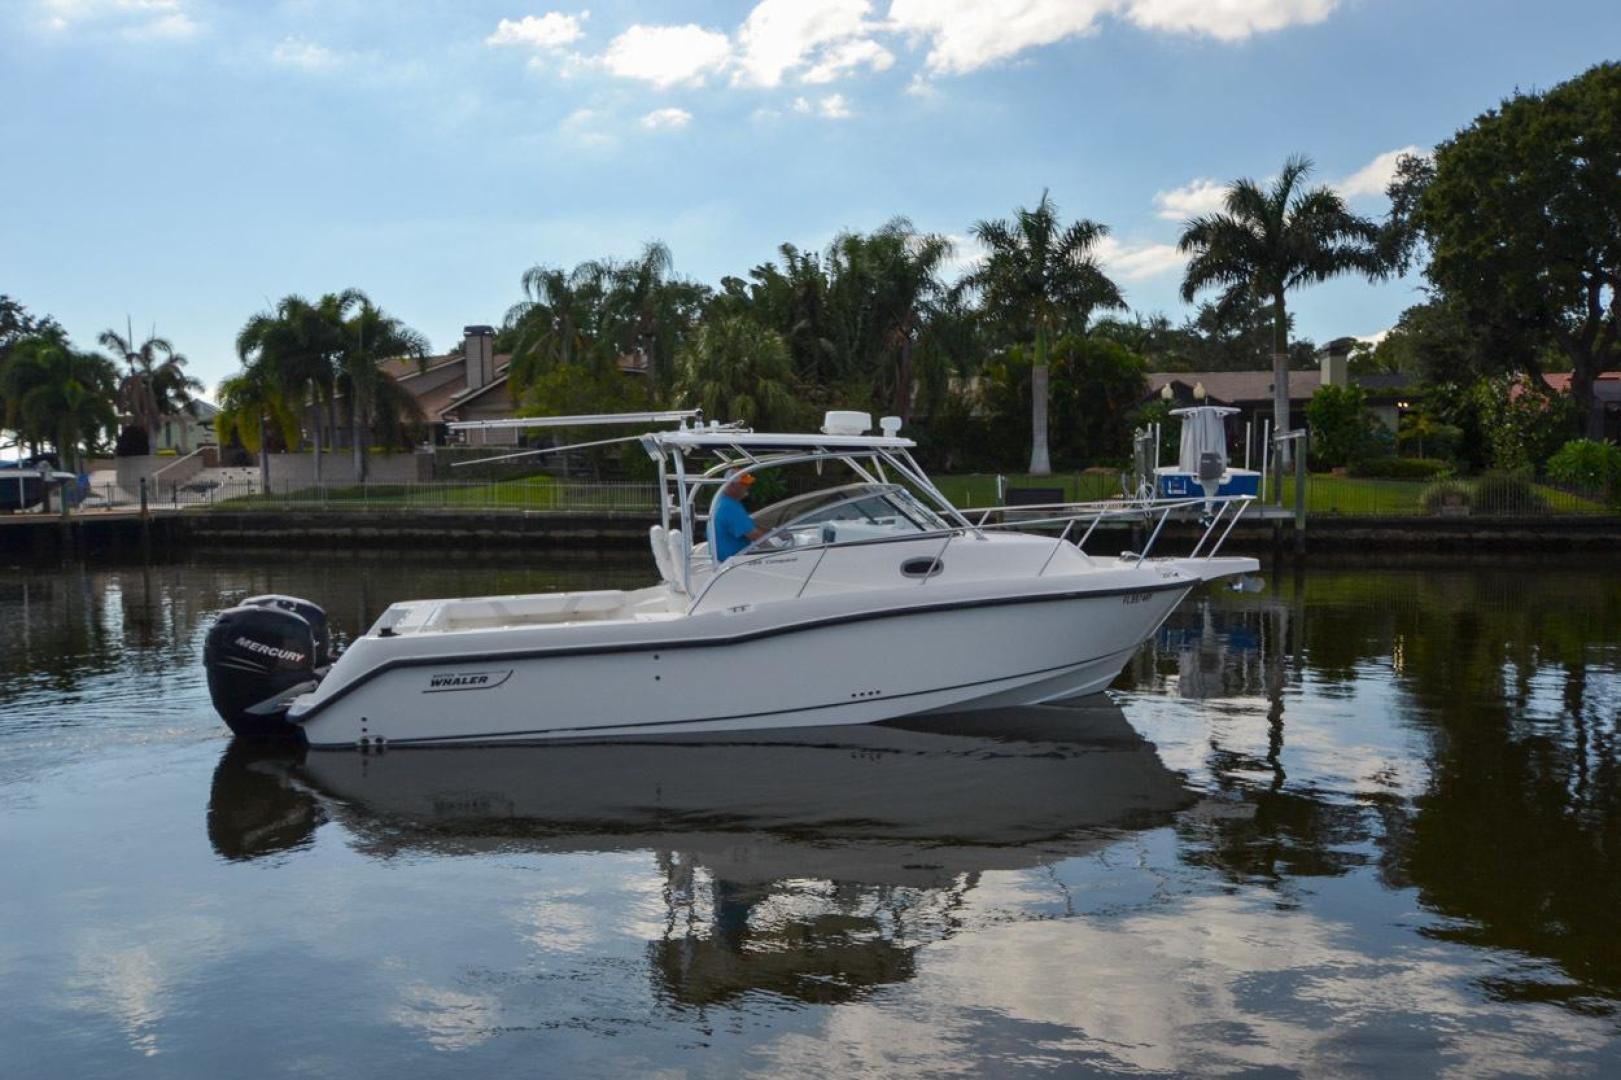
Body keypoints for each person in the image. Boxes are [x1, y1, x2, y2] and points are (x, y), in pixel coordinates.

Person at [707, 471, 768, 563]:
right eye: (744, 483)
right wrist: (780, 553)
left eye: (748, 483)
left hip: (730, 560)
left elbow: (751, 527)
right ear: (731, 485)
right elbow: (756, 536)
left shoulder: (725, 501)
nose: (748, 486)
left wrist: (775, 532)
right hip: (732, 563)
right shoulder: (729, 507)